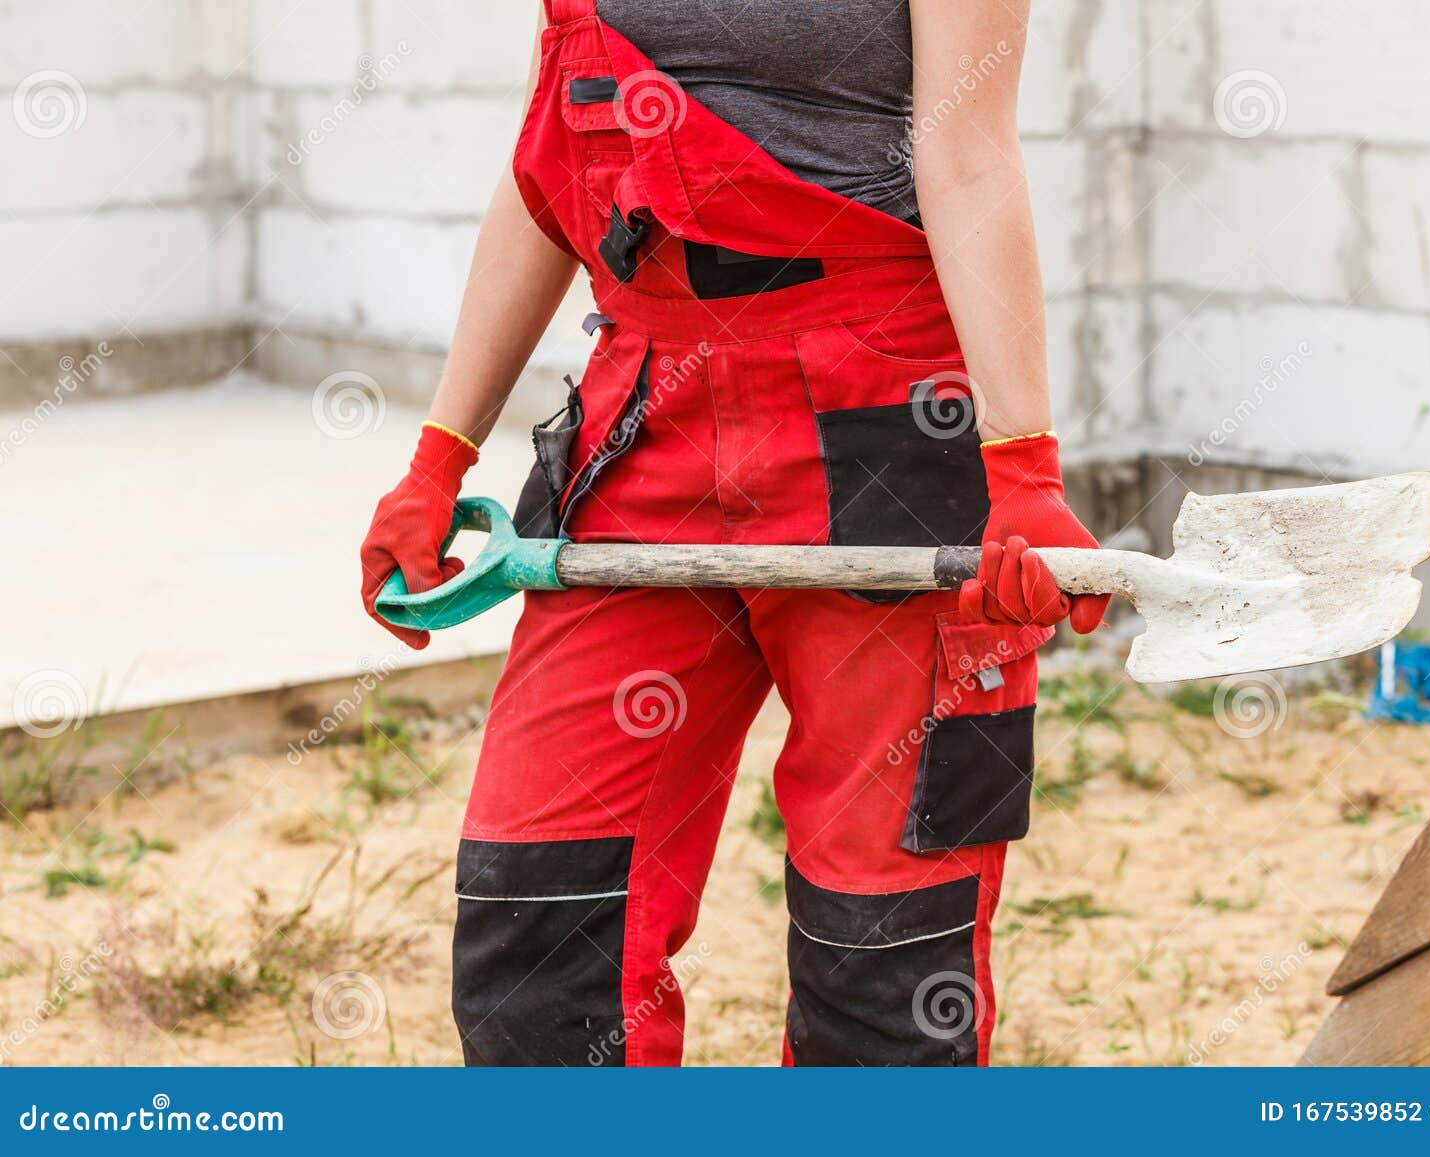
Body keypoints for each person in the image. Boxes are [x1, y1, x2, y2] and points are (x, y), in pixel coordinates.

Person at [359, 0, 1107, 1067]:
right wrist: (440, 454)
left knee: (882, 967)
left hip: (882, 420)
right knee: (536, 937)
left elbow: (969, 153)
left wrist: (1021, 463)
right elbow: (550, 160)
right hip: (642, 419)